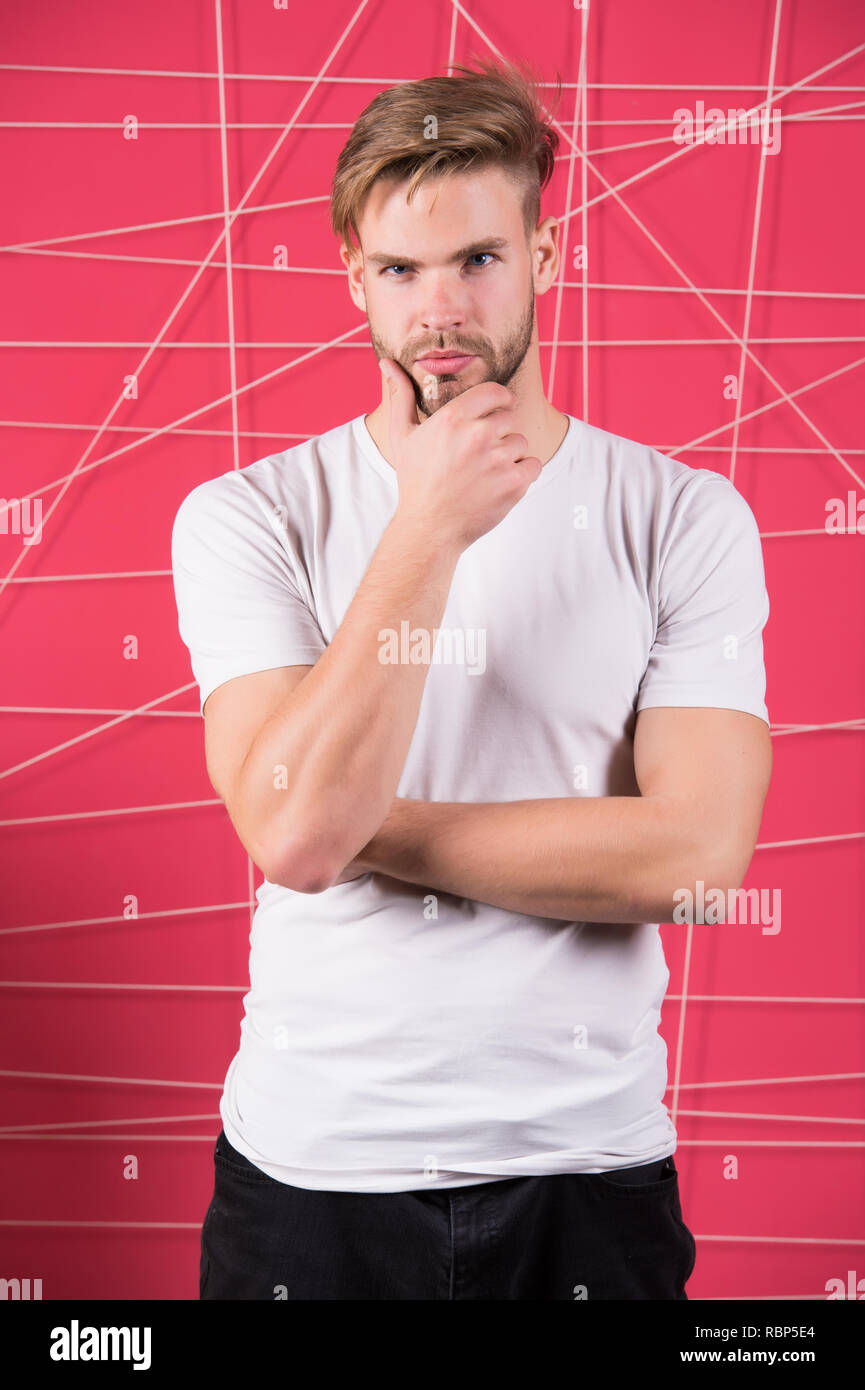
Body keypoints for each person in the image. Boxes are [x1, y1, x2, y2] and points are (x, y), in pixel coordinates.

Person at [171, 57, 772, 1300]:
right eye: (399, 269)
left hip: (587, 1173)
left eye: (478, 259)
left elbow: (699, 865)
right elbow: (290, 833)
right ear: (354, 278)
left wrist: (350, 826)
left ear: (544, 258)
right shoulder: (246, 516)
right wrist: (426, 528)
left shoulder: (682, 515)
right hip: (313, 1176)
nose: (438, 307)